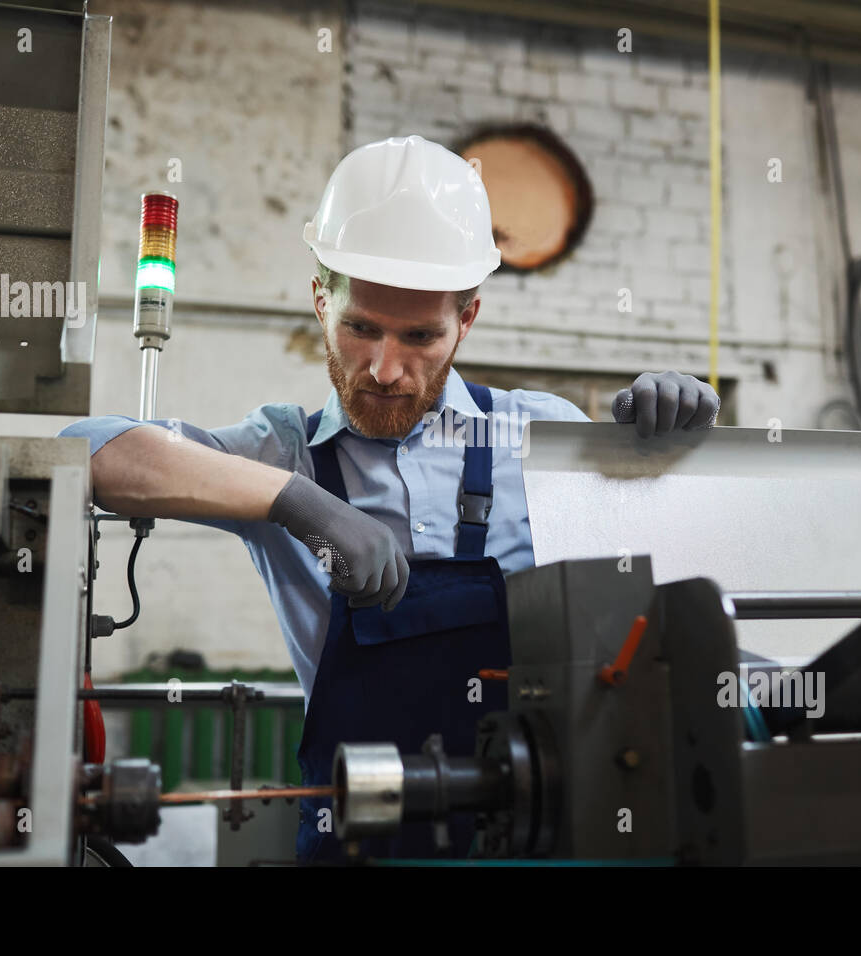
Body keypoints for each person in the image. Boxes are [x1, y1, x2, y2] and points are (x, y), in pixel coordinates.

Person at [60, 134, 719, 862]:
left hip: (537, 836)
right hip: (356, 838)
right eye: (360, 328)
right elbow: (88, 450)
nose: (384, 369)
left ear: (466, 320)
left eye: (420, 336)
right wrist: (293, 501)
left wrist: (672, 440)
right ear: (320, 302)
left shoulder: (541, 436)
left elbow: (664, 607)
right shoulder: (282, 451)